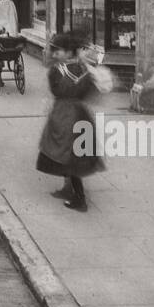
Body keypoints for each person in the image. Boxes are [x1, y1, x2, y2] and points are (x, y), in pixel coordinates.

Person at [36, 31, 104, 212]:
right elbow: (89, 92)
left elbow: (55, 90)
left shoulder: (57, 70)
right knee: (74, 155)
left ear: (68, 52)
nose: (54, 54)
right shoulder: (85, 70)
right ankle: (68, 189)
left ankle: (80, 200)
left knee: (67, 155)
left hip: (64, 115)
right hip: (80, 113)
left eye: (58, 51)